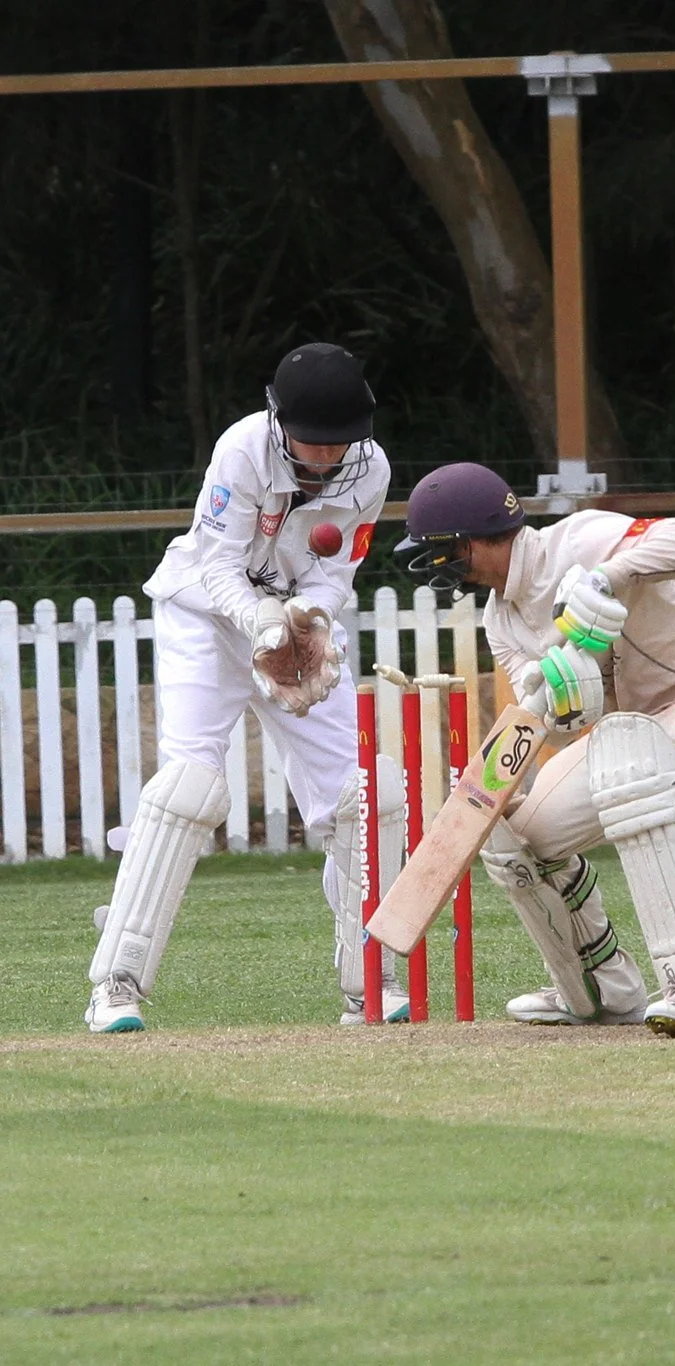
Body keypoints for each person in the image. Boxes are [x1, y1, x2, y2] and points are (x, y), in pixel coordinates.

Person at [393, 462, 675, 1036]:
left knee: (633, 764)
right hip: (635, 728)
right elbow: (556, 720)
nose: (438, 562)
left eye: (443, 548)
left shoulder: (582, 539)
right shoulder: (500, 619)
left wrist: (609, 577)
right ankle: (599, 989)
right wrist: (503, 778)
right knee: (518, 835)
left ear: (476, 536)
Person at [86, 342, 405, 1032]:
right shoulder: (242, 451)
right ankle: (117, 982)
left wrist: (308, 623)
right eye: (310, 444)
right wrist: (259, 619)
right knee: (189, 789)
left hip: (294, 622)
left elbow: (336, 570)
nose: (323, 460)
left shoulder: (371, 469)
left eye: (338, 445)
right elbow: (220, 565)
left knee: (364, 793)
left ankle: (371, 979)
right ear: (278, 418)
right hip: (206, 614)